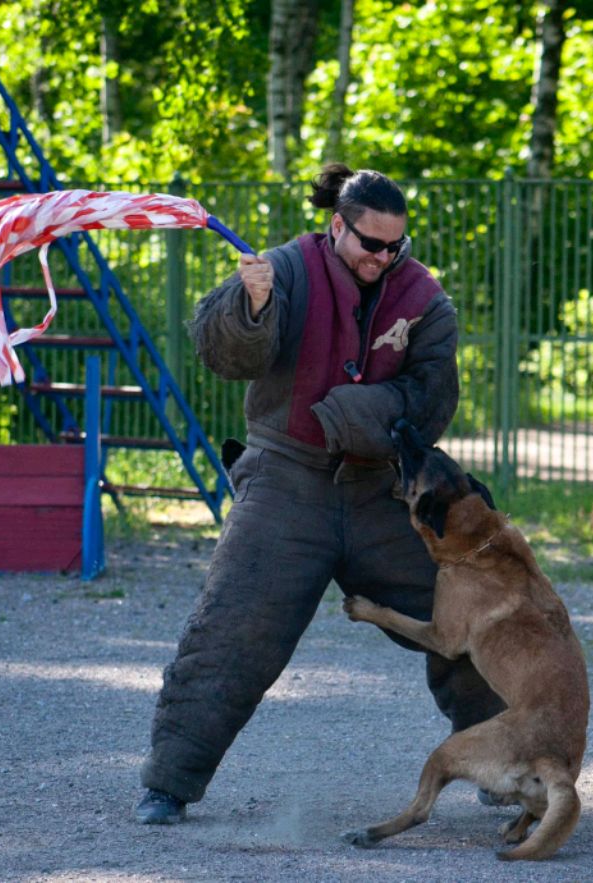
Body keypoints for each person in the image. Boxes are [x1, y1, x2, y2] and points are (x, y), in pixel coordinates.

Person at [134, 163, 505, 824]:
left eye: (394, 246)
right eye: (370, 244)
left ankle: (504, 761)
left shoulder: (424, 299)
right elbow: (220, 354)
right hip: (284, 479)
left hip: (384, 489)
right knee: (232, 629)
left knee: (469, 610)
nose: (382, 258)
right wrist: (247, 307)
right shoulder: (279, 271)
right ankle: (169, 781)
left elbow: (431, 400)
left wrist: (347, 415)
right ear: (338, 225)